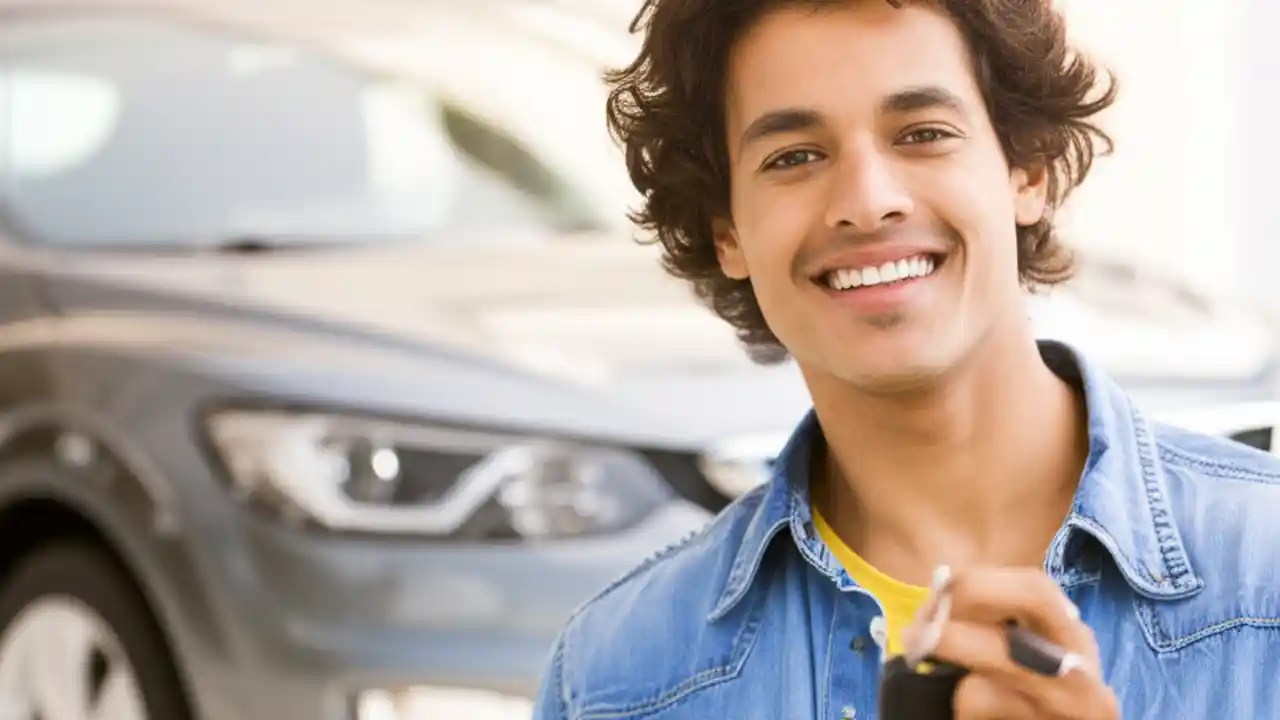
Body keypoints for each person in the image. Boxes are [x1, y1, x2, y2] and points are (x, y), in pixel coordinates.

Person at [533, 0, 1280, 717]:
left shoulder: (1264, 572)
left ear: (1028, 171)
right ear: (727, 230)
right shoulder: (616, 681)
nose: (867, 201)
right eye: (794, 156)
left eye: (923, 134)